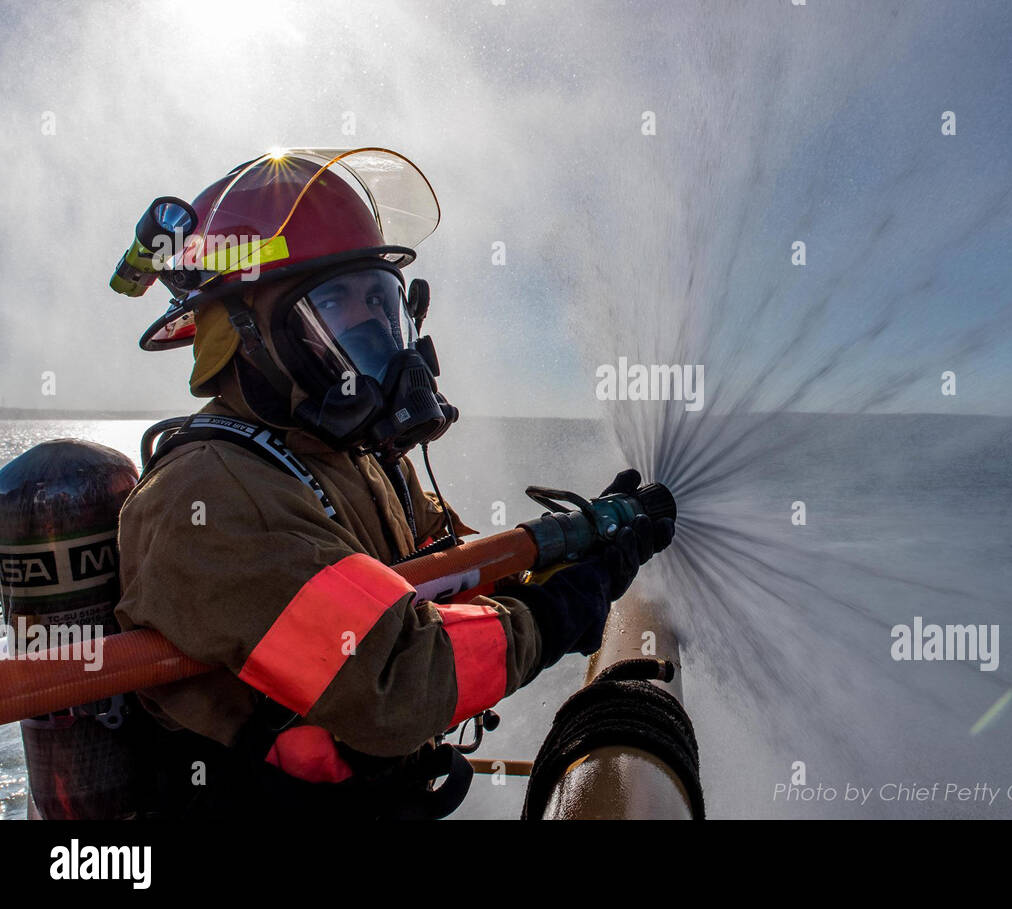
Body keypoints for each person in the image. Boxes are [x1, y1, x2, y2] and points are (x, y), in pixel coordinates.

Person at [112, 148, 673, 818]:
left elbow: (451, 571)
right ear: (242, 338)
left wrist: (574, 553)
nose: (376, 334)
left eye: (380, 305)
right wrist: (555, 615)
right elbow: (399, 677)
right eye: (337, 307)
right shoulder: (207, 498)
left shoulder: (359, 460)